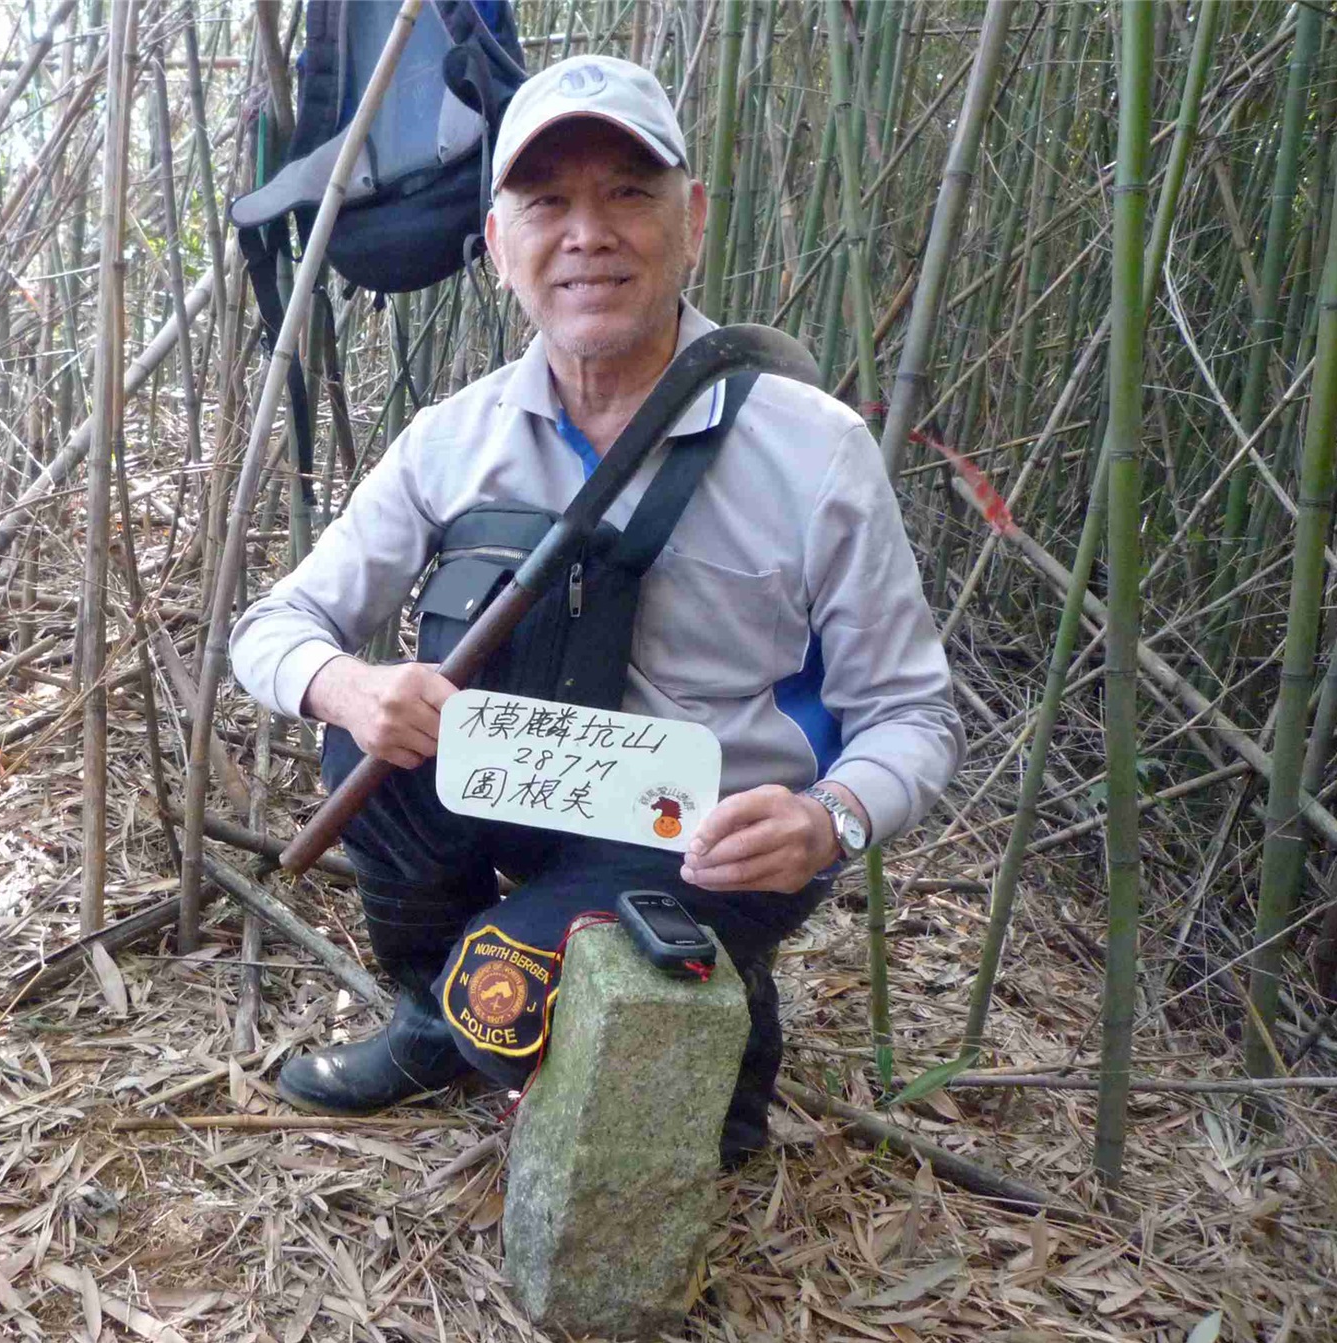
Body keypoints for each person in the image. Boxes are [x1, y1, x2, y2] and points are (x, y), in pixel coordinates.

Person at [228, 54, 963, 1165]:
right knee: (358, 758)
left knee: (506, 1001)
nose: (588, 234)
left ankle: (699, 1009)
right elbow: (269, 632)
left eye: (627, 192)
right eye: (547, 202)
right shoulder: (449, 439)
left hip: (702, 832)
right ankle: (432, 1014)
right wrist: (351, 684)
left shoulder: (813, 447)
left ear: (693, 219)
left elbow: (911, 715)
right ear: (495, 245)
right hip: (523, 787)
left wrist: (830, 822)